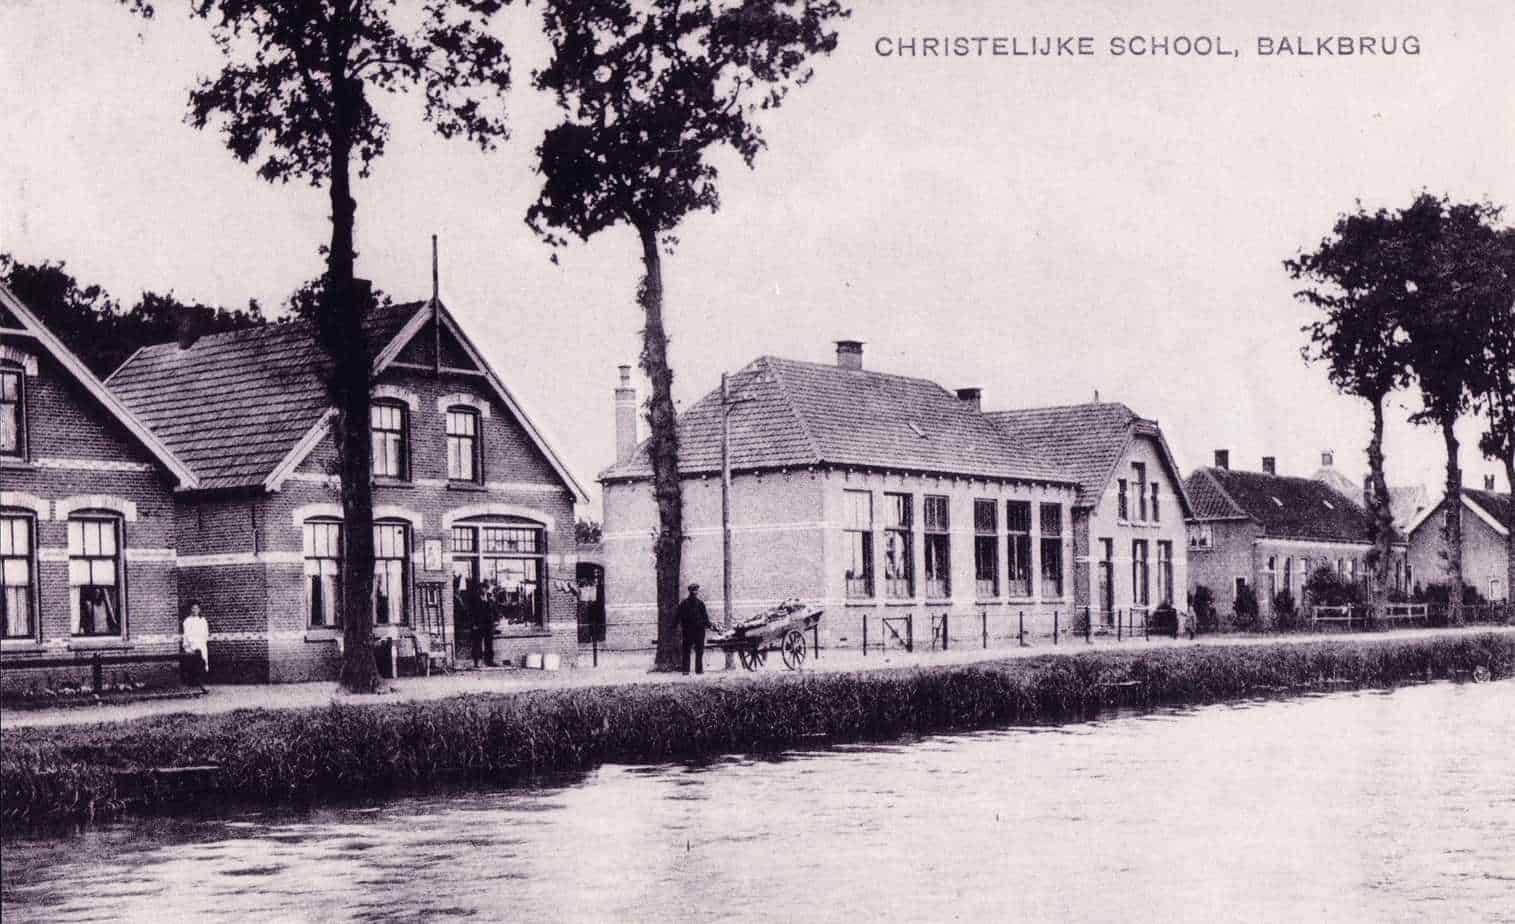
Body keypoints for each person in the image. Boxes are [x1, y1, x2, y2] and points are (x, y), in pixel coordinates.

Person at [676, 583, 717, 675]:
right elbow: (705, 618)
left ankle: (687, 670)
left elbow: (678, 616)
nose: (695, 592)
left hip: (690, 630)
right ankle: (697, 670)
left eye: (695, 590)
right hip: (696, 630)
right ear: (692, 592)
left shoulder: (685, 603)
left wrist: (709, 625)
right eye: (694, 591)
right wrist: (709, 625)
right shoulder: (699, 603)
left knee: (689, 651)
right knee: (697, 651)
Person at [181, 600, 210, 687]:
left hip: (201, 645)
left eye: (197, 608)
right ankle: (192, 683)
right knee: (192, 665)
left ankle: (201, 683)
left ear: (199, 609)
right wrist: (191, 646)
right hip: (191, 646)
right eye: (193, 608)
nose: (195, 610)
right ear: (190, 609)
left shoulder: (203, 620)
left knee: (202, 663)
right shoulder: (187, 621)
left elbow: (205, 633)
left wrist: (202, 643)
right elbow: (187, 634)